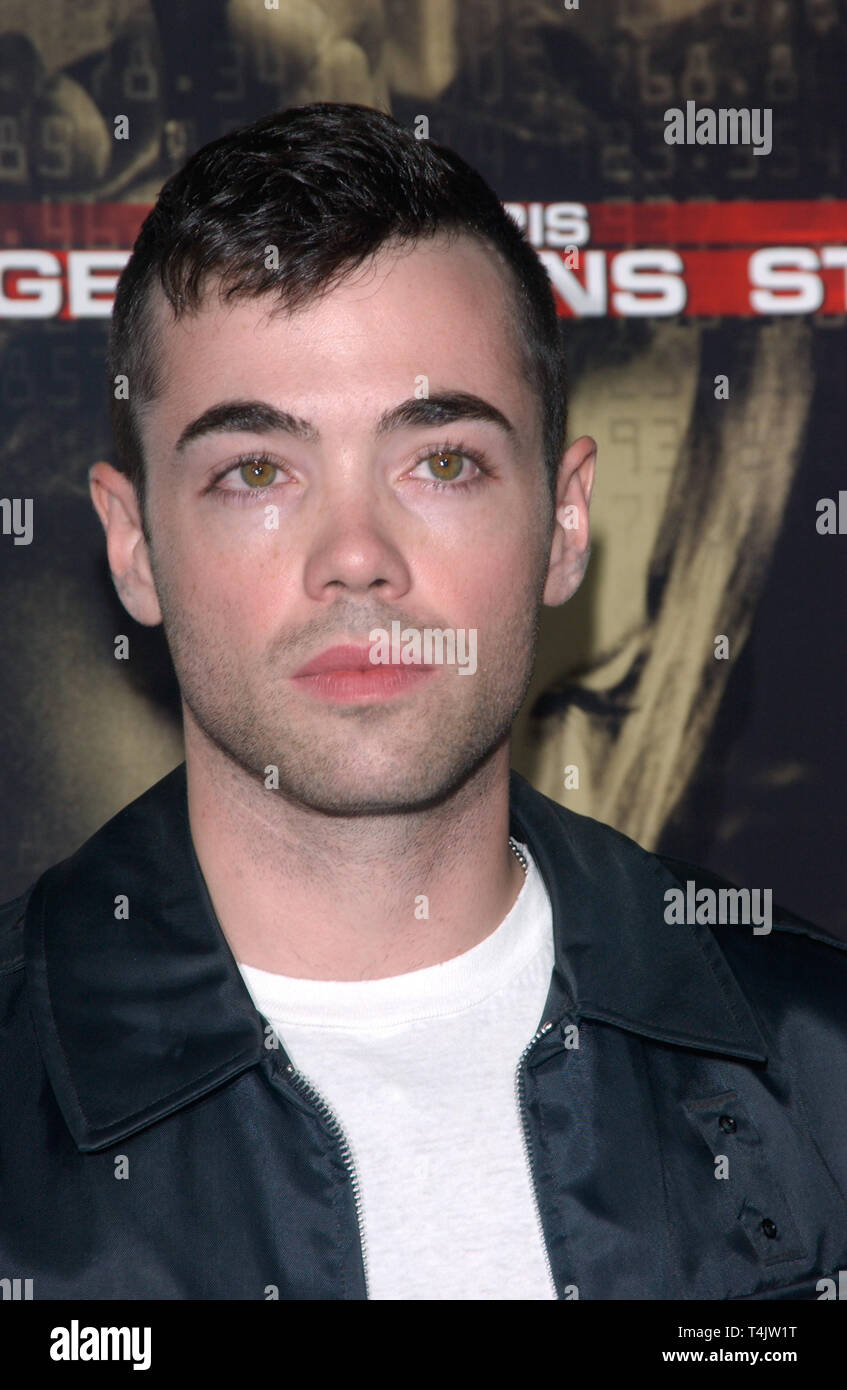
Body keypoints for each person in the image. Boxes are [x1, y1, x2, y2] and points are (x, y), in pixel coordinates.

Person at [1, 101, 845, 1302]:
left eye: (439, 460)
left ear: (563, 521)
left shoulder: (819, 1068)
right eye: (255, 471)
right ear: (134, 545)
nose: (355, 553)